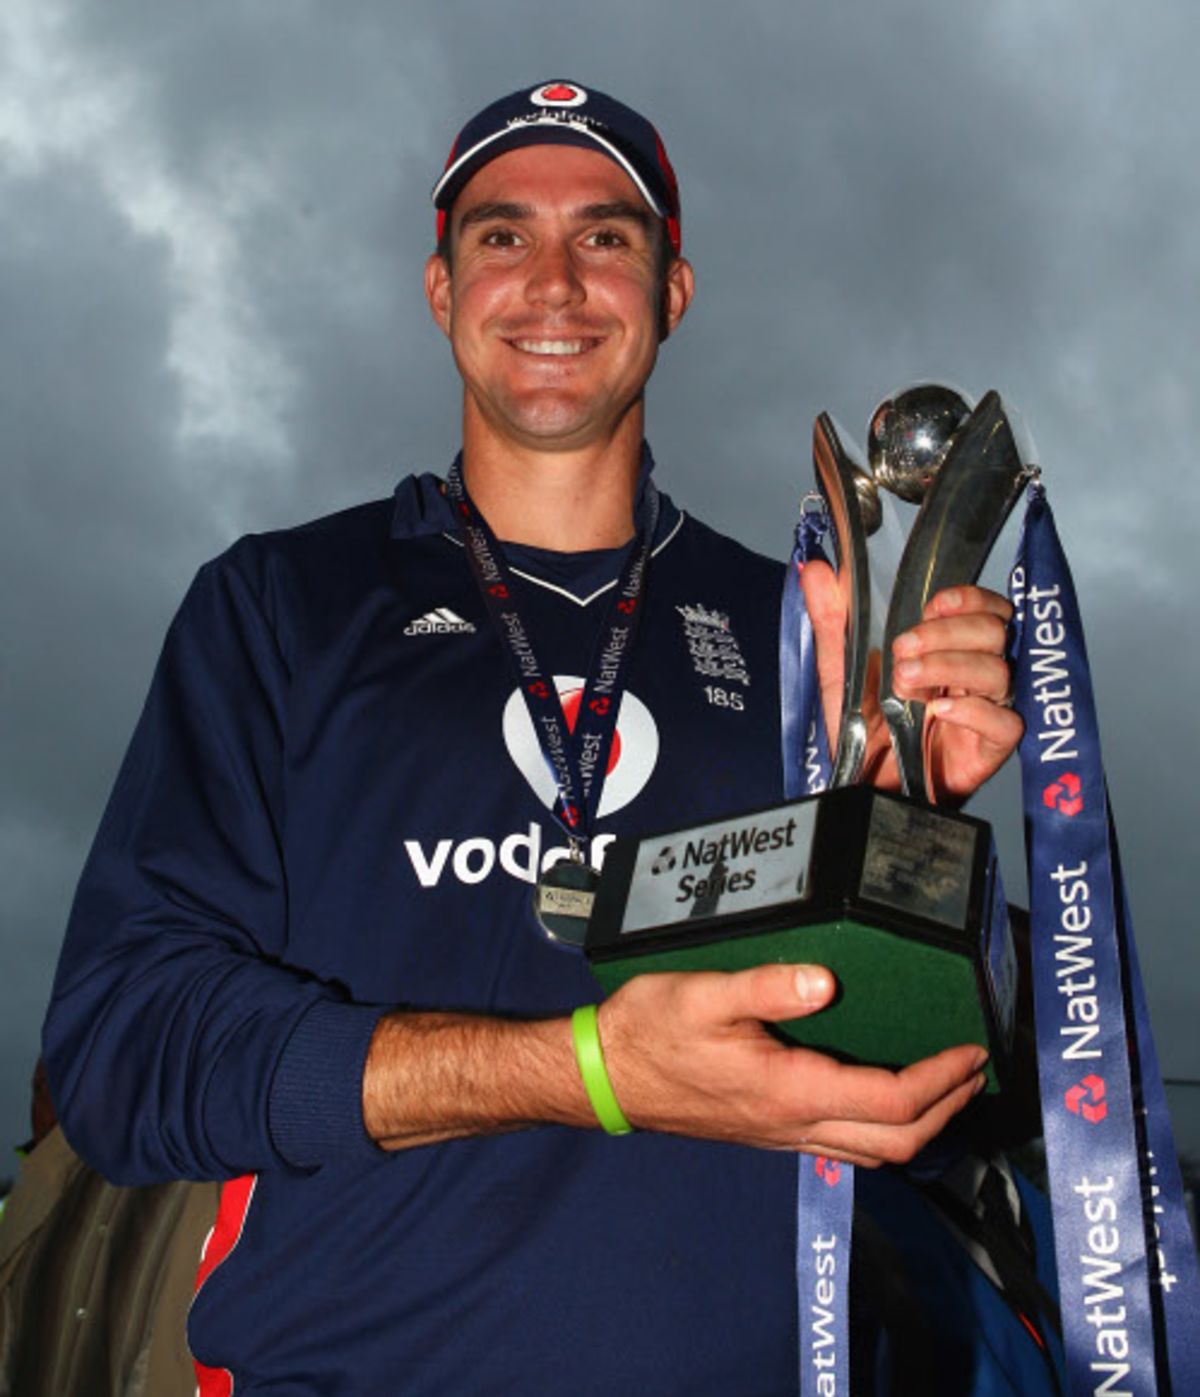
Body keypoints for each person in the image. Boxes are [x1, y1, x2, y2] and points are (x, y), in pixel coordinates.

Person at [42, 81, 1027, 1394]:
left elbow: (931, 1107)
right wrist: (583, 1070)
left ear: (673, 292)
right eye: (503, 235)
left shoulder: (798, 631)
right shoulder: (282, 603)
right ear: (442, 289)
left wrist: (906, 838)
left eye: (606, 237)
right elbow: (125, 1051)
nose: (555, 282)